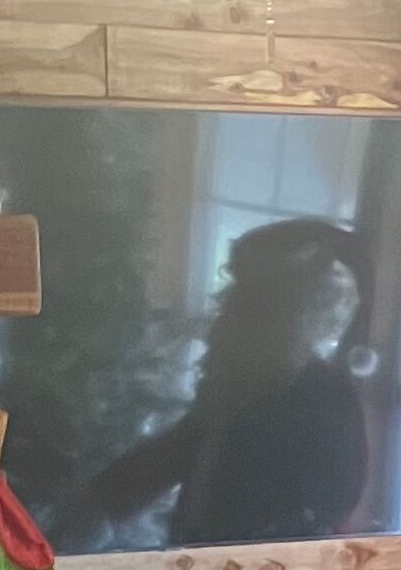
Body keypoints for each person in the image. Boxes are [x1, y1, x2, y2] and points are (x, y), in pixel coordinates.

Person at [74, 217, 371, 548]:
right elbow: (170, 455)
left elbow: (324, 509)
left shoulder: (327, 400)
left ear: (295, 321)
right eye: (230, 309)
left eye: (241, 313)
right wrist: (95, 504)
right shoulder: (236, 389)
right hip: (198, 561)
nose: (220, 327)